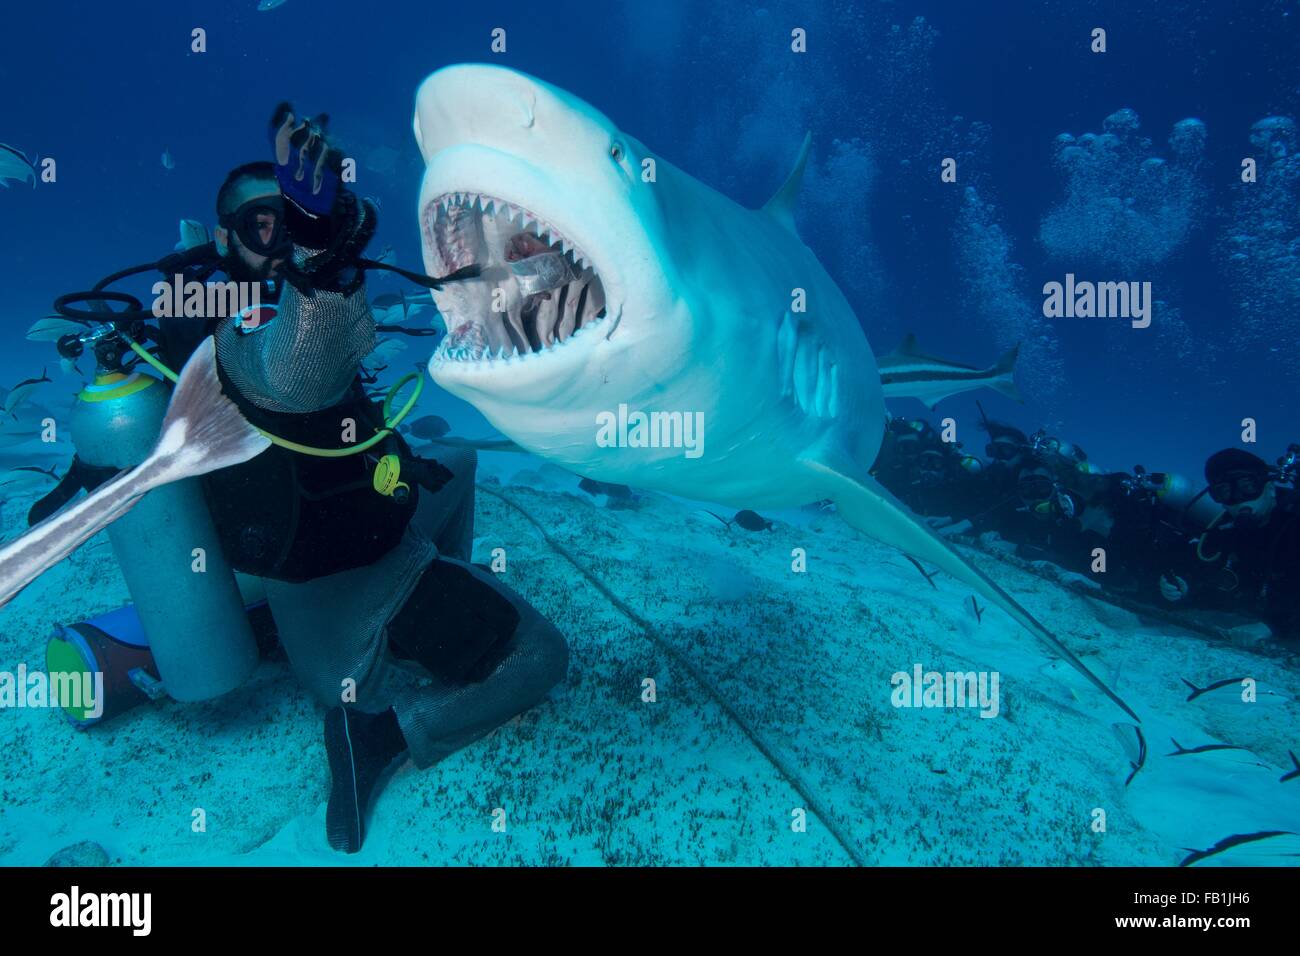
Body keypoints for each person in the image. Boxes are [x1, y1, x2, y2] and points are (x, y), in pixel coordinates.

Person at [160, 105, 569, 852]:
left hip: (301, 564)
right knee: (542, 655)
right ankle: (377, 730)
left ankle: (442, 584)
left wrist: (320, 257)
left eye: (287, 220)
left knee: (462, 461)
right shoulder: (236, 326)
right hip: (348, 594)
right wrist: (318, 254)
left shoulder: (247, 299)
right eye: (259, 226)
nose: (276, 239)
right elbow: (295, 377)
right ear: (222, 242)